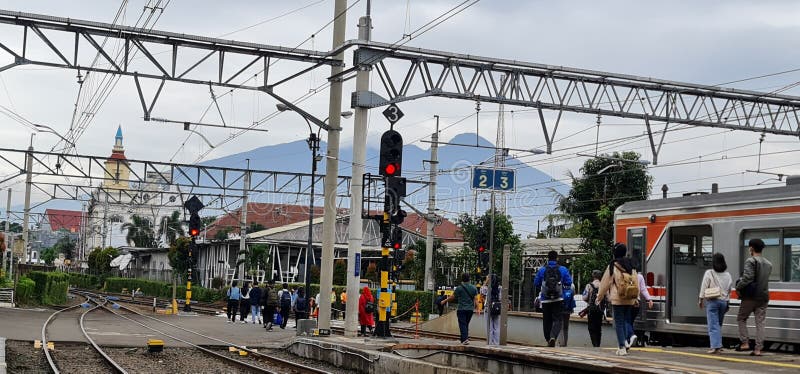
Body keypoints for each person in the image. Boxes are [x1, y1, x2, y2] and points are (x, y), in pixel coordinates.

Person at [596, 243, 638, 356]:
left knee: (618, 322)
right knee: (625, 320)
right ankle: (626, 339)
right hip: (629, 298)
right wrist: (636, 297)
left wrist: (599, 297)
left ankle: (622, 347)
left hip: (618, 298)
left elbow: (605, 283)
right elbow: (635, 281)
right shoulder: (631, 265)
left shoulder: (613, 265)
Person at [735, 238, 772, 356]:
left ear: (751, 248)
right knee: (760, 323)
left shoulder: (750, 261)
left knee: (741, 318)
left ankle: (745, 342)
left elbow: (748, 278)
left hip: (750, 297)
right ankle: (758, 349)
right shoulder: (768, 264)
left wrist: (738, 287)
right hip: (764, 296)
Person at [534, 250, 573, 347]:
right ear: (557, 258)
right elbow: (568, 282)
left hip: (545, 299)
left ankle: (548, 339)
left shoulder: (542, 270)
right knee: (557, 319)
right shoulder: (563, 269)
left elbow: (536, 283)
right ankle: (553, 336)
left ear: (548, 258)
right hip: (558, 298)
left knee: (546, 320)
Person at [699, 253, 733, 354]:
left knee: (713, 325)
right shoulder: (728, 275)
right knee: (718, 324)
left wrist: (700, 299)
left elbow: (704, 286)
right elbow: (729, 289)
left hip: (713, 301)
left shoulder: (709, 273)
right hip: (724, 302)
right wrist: (727, 301)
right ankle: (719, 345)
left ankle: (715, 347)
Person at [440, 273, 478, 345]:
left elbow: (452, 297)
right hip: (470, 309)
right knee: (466, 324)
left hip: (461, 309)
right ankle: (464, 338)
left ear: (462, 279)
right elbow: (476, 299)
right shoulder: (474, 288)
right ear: (469, 279)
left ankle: (465, 339)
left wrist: (444, 301)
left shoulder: (459, 288)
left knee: (462, 324)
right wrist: (478, 308)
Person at [629, 267, 653, 346]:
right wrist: (649, 299)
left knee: (625, 321)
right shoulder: (639, 276)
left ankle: (630, 336)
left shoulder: (625, 275)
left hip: (626, 302)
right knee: (631, 321)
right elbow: (643, 289)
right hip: (636, 302)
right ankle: (630, 337)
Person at [582, 270, 606, 347]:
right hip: (600, 310)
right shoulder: (603, 285)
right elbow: (608, 298)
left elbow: (584, 297)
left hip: (591, 310)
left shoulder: (589, 285)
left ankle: (594, 344)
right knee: (598, 327)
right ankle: (598, 344)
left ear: (593, 276)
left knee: (591, 328)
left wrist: (589, 301)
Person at [480, 275, 501, 345]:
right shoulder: (500, 287)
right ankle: (496, 343)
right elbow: (501, 298)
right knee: (497, 327)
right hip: (497, 308)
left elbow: (482, 292)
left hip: (488, 308)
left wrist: (486, 282)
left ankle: (489, 343)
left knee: (489, 327)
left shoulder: (487, 288)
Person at [558, 283, 576, 347]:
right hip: (568, 308)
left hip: (560, 307)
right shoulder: (572, 285)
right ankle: (565, 343)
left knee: (560, 327)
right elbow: (573, 294)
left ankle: (561, 343)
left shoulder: (559, 283)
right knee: (566, 327)